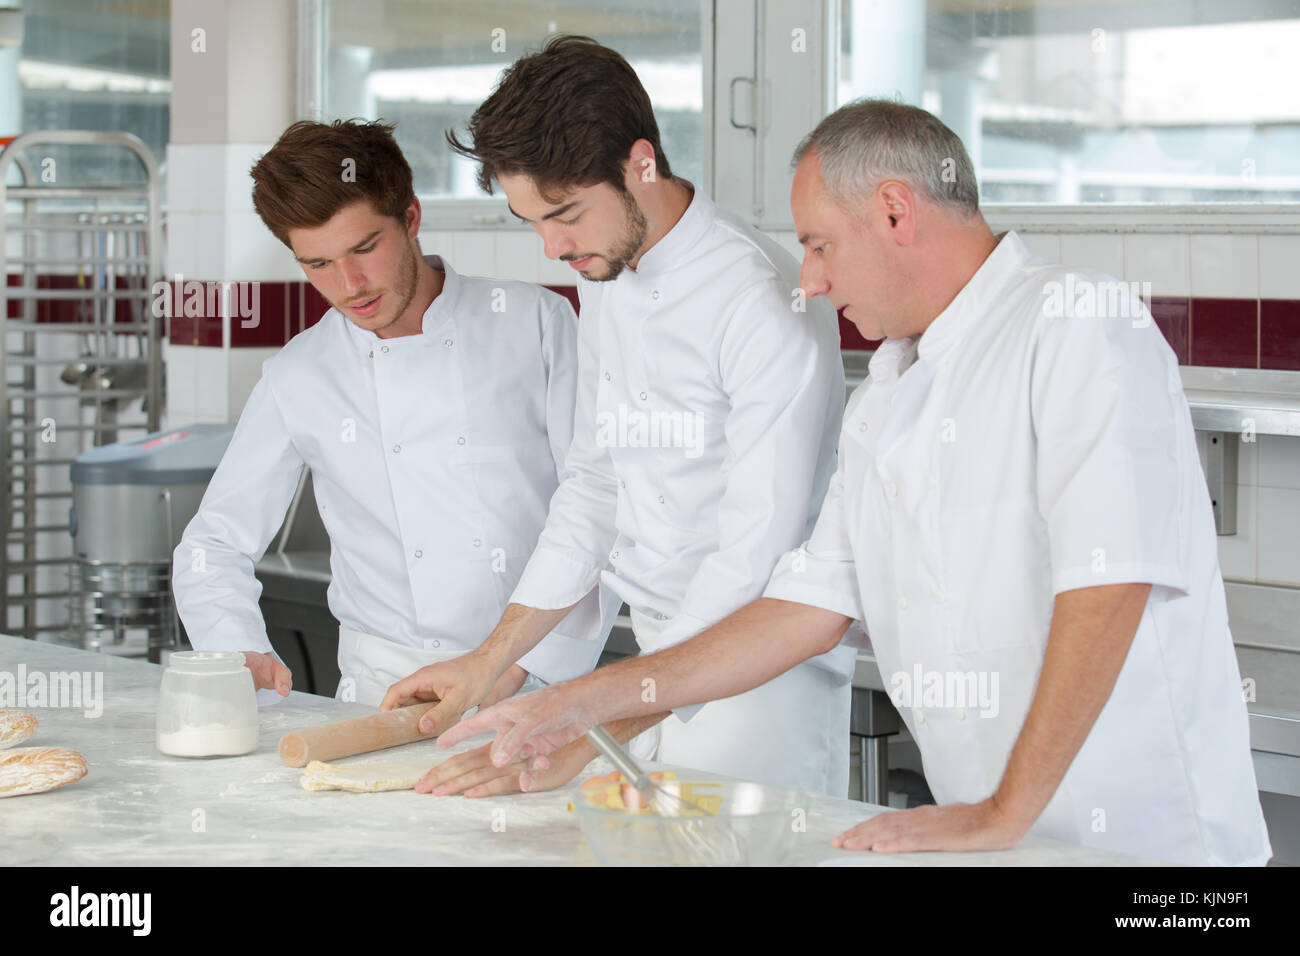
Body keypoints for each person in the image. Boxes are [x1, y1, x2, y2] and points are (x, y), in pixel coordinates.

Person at [440, 99, 1273, 866]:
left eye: (817, 244)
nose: (807, 281)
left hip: (1147, 849)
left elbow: (1110, 583)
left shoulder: (1077, 322)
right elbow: (804, 607)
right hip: (996, 835)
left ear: (896, 211)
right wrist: (583, 704)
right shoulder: (889, 395)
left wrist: (1003, 810)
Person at [383, 35, 852, 798]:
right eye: (531, 221)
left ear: (641, 163)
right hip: (649, 652)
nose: (552, 246)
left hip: (758, 680)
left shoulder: (761, 301)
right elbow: (596, 484)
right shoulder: (605, 271)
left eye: (565, 214)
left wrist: (596, 726)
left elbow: (753, 555)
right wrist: (489, 663)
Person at [172, 119, 609, 721]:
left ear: (410, 218)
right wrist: (235, 646)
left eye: (364, 248)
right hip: (377, 703)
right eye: (318, 263)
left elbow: (600, 507)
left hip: (534, 691)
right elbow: (213, 543)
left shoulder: (533, 323)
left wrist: (514, 668)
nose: (349, 286)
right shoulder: (300, 373)